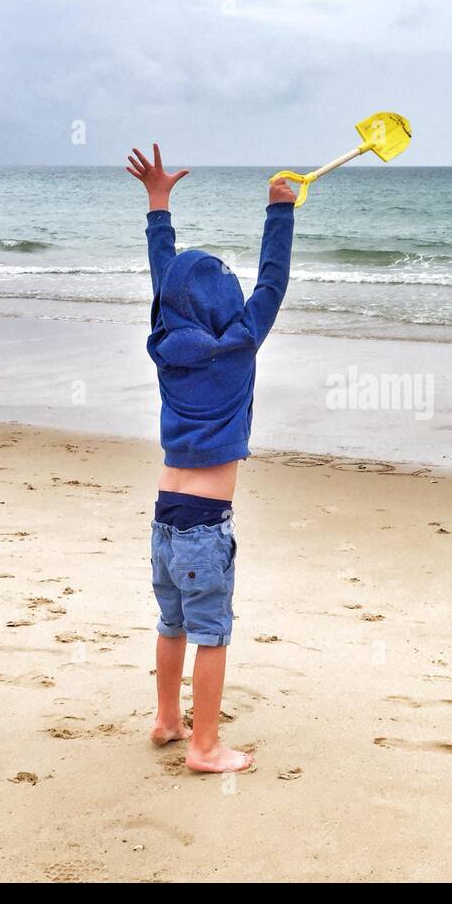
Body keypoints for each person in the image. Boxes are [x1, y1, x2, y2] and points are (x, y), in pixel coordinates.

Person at [126, 143, 297, 772]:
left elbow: (162, 273)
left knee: (171, 622)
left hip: (164, 514)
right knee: (212, 632)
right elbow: (273, 281)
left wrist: (158, 202)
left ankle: (168, 721)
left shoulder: (167, 341)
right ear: (230, 307)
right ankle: (204, 745)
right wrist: (280, 209)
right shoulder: (242, 342)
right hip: (204, 522)